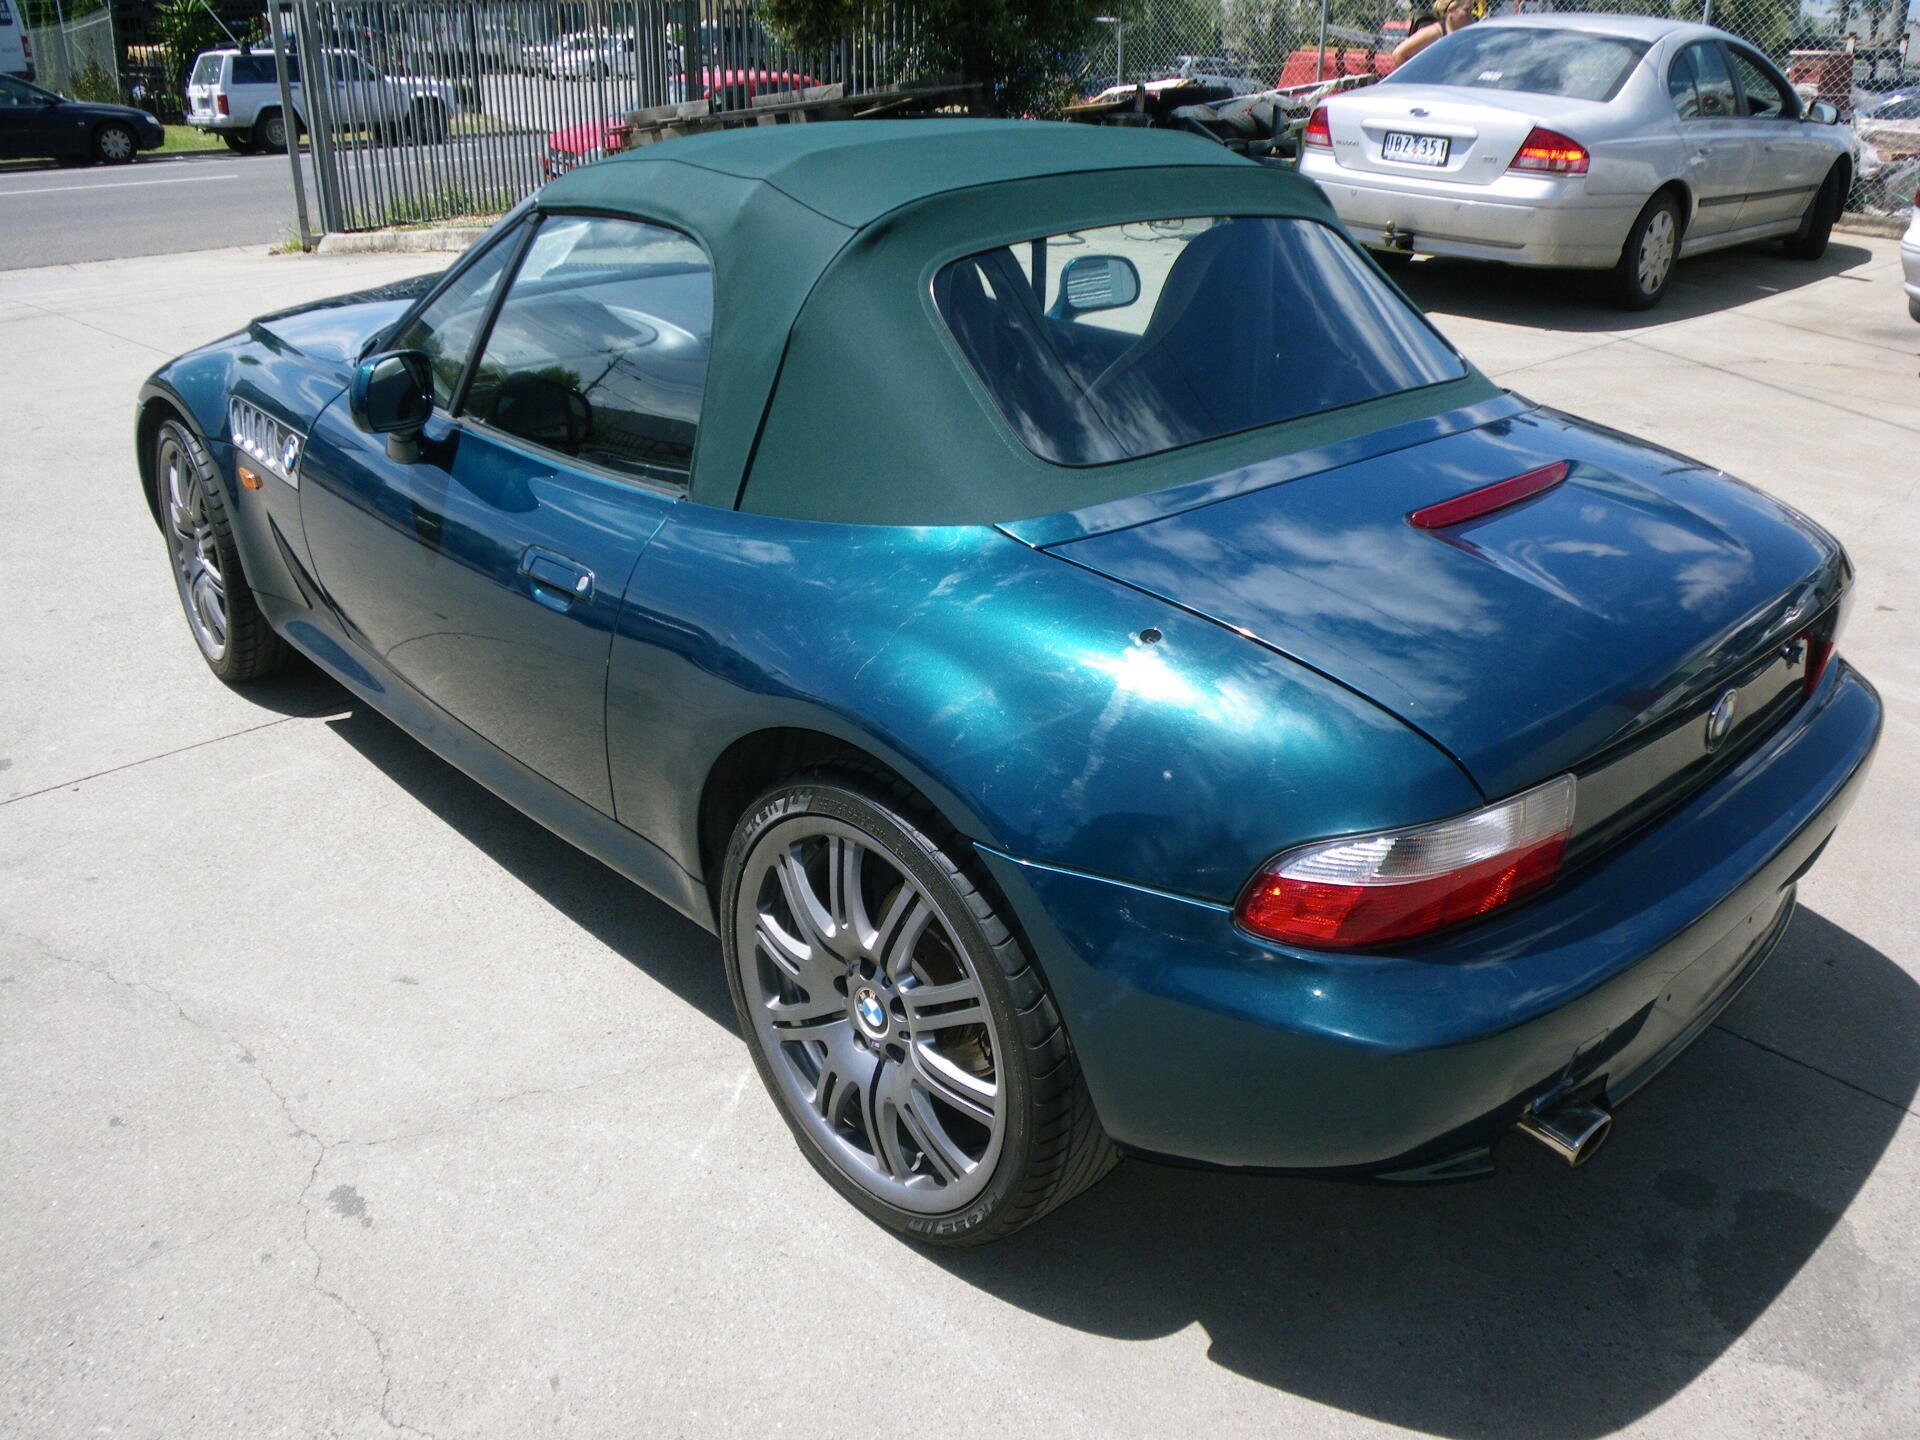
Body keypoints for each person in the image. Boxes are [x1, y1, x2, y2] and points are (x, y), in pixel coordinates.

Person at [1393, 0, 1475, 65]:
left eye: (1470, 10)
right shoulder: (1435, 33)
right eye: (1466, 10)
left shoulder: (1463, 34)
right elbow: (1399, 54)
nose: (1470, 15)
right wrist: (1412, 81)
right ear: (1450, 10)